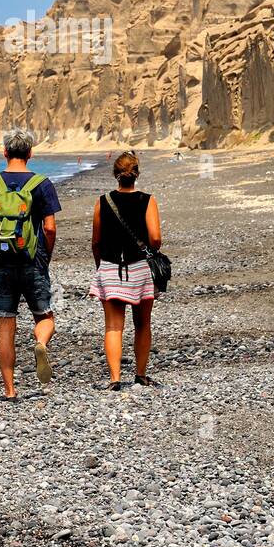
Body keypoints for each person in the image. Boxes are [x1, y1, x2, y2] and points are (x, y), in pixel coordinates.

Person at [0, 128, 61, 400]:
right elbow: (49, 228)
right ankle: (40, 343)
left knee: (5, 324)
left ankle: (10, 391)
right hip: (33, 262)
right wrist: (44, 257)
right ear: (30, 153)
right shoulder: (42, 184)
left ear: (5, 152)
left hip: (2, 263)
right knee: (45, 316)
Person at [89, 150, 162, 390]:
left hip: (110, 266)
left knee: (113, 326)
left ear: (116, 175)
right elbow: (156, 238)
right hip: (140, 267)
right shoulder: (147, 200)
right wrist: (151, 252)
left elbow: (96, 241)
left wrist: (100, 265)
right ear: (136, 174)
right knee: (142, 324)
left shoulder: (102, 202)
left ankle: (115, 379)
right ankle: (140, 375)